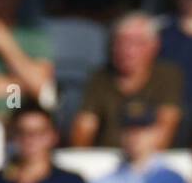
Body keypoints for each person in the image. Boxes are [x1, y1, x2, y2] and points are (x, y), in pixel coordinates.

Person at [70, 13, 183, 150]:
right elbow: (84, 126)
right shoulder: (100, 77)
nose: (127, 50)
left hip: (150, 159)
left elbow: (166, 125)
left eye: (136, 43)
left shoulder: (168, 76)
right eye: (120, 42)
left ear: (154, 46)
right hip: (107, 158)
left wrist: (139, 165)